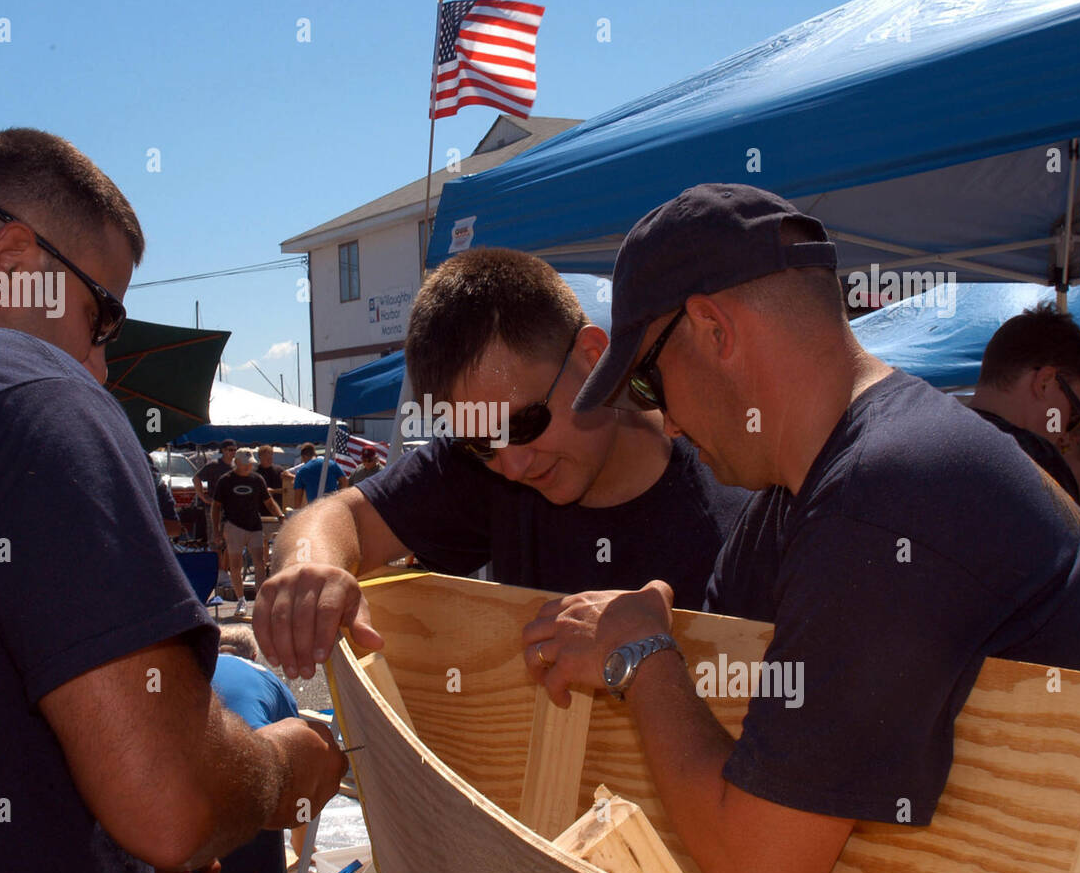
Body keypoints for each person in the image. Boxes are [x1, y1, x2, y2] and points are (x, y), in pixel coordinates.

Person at [0, 128, 345, 873]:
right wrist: (290, 764)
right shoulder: (24, 390)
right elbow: (170, 807)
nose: (98, 367)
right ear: (14, 264)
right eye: (102, 320)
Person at [527, 183, 1080, 873]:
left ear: (714, 330)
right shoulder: (801, 495)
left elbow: (758, 869)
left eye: (648, 384)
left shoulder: (889, 493)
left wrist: (641, 656)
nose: (665, 421)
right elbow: (727, 695)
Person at [254, 247, 749, 680]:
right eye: (479, 444)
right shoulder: (485, 464)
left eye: (527, 422)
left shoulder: (739, 491)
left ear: (593, 356)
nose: (512, 466)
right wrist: (309, 569)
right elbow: (337, 519)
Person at [968, 302, 1080, 504]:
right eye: (1073, 414)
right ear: (1045, 383)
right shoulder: (1037, 463)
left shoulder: (926, 434)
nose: (1064, 433)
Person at [210, 623, 303, 873]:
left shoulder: (192, 665)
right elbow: (298, 775)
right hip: (248, 790)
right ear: (253, 656)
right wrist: (304, 849)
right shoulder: (266, 678)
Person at [212, 449, 286, 598]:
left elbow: (269, 502)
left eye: (250, 464)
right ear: (237, 462)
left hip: (254, 525)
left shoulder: (257, 479)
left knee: (259, 562)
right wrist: (217, 530)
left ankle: (260, 598)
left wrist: (280, 516)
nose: (248, 467)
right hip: (233, 525)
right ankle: (240, 599)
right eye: (245, 464)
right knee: (235, 564)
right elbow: (216, 506)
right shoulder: (226, 480)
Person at [194, 439, 239, 589]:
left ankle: (224, 571)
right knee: (215, 540)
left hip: (231, 509)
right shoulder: (214, 465)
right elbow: (196, 478)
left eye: (234, 450)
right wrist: (203, 496)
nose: (232, 453)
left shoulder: (235, 467)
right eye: (230, 450)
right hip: (215, 509)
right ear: (223, 451)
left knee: (230, 542)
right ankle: (217, 572)